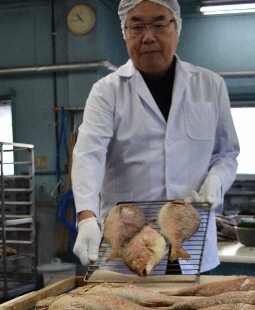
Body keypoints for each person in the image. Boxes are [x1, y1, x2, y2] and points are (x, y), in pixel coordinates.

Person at [71, 0, 239, 274]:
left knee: (191, 302)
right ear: (125, 32)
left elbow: (227, 153)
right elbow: (89, 155)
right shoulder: (106, 91)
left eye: (159, 24)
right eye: (136, 27)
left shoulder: (210, 85)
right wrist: (87, 217)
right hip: (126, 243)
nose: (148, 36)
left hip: (191, 240)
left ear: (177, 28)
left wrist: (216, 181)